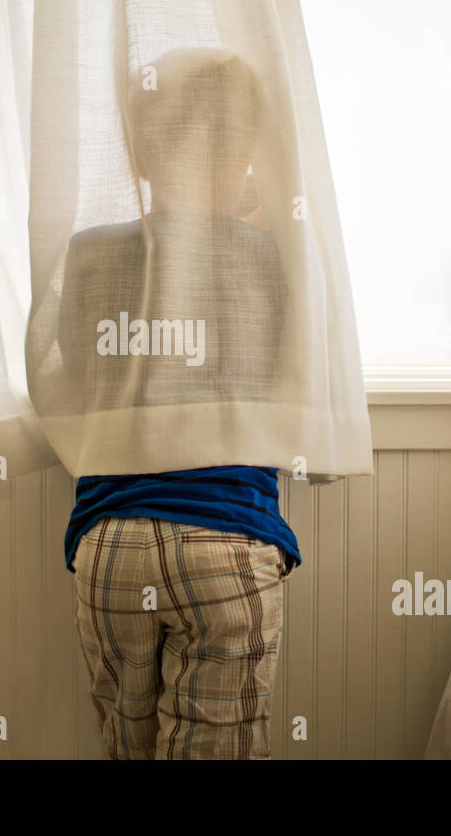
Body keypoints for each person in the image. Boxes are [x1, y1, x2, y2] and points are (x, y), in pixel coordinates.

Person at [58, 48, 298, 759]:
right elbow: (288, 356)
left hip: (110, 542)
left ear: (139, 156)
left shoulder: (89, 256)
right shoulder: (270, 255)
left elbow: (79, 365)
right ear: (246, 153)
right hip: (223, 539)